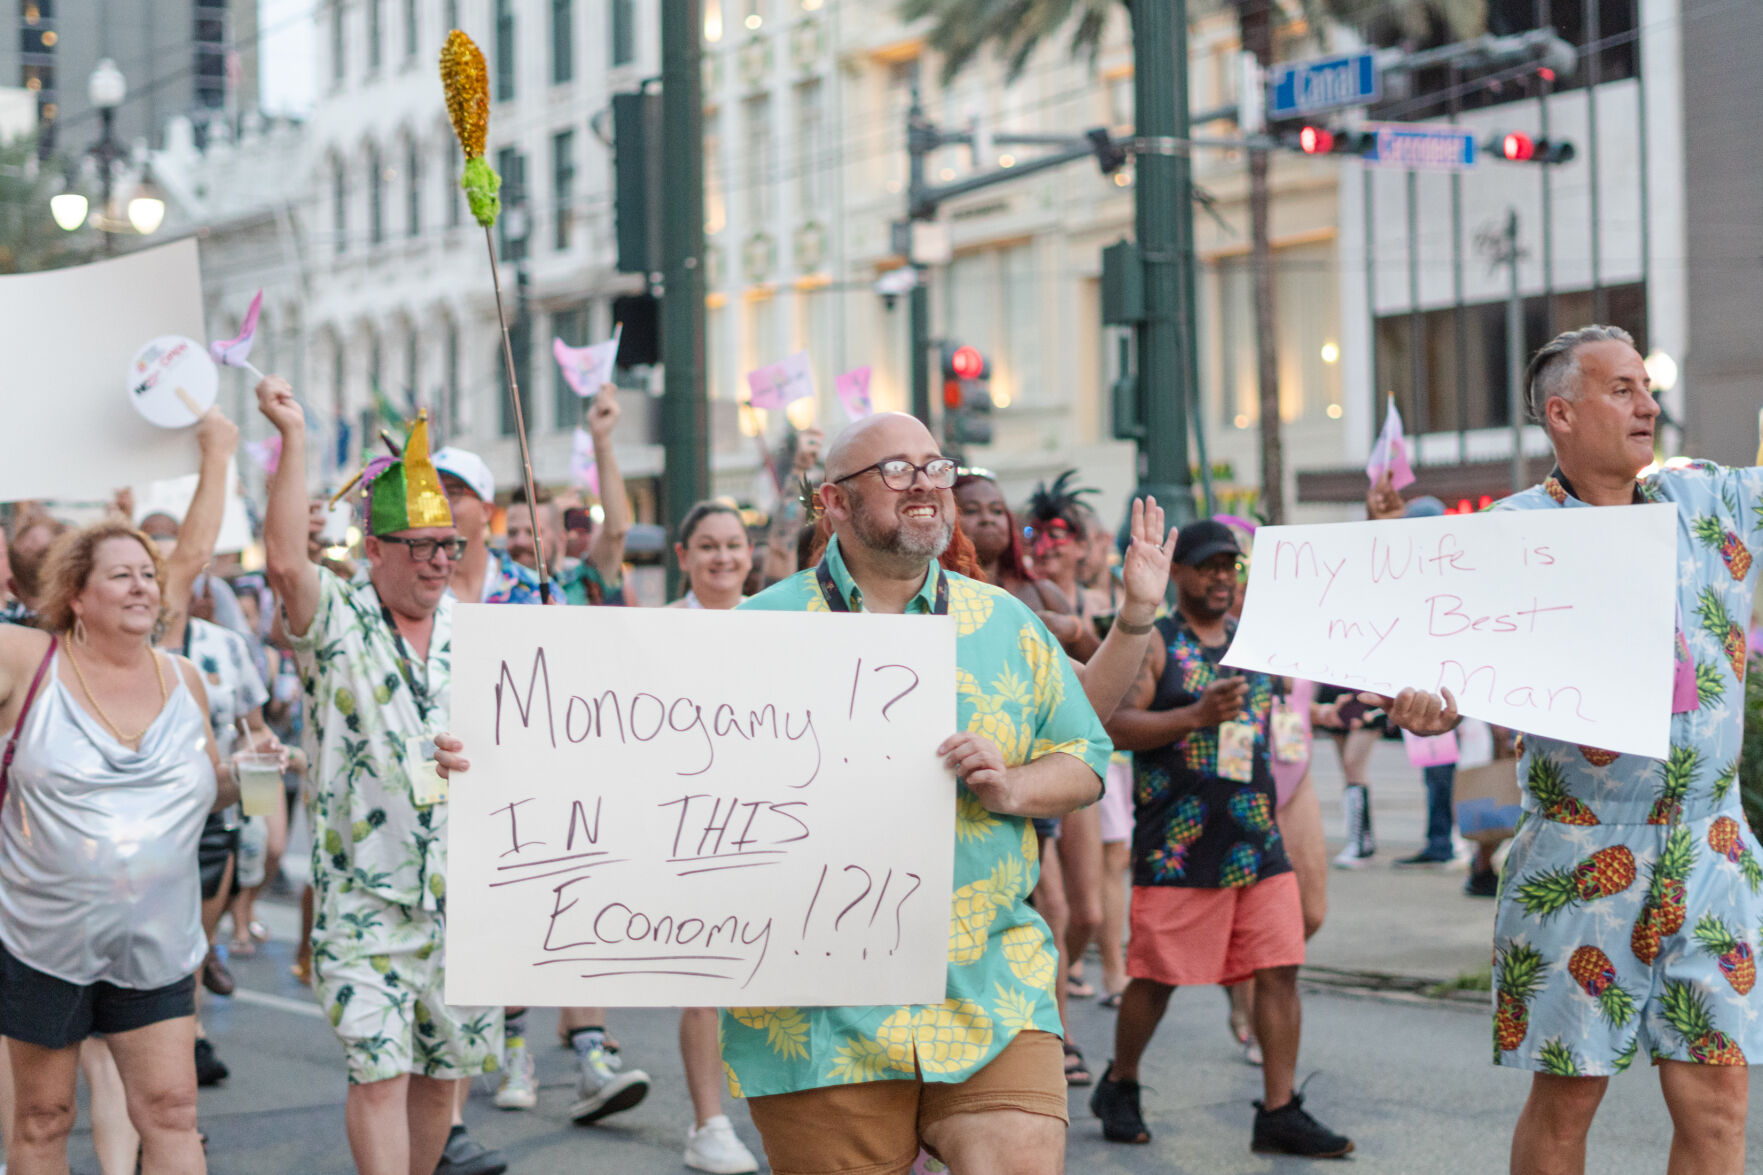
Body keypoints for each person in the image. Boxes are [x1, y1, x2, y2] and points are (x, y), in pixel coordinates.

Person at [437, 412, 1113, 1174]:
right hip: (818, 1020)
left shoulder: (1006, 623)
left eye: (935, 465)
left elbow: (1084, 754)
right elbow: (627, 769)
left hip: (992, 994)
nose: (924, 481)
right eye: (894, 469)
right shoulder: (753, 630)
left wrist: (1014, 784)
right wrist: (494, 760)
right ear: (833, 502)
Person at [1375, 325, 1759, 1175]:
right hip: (1579, 846)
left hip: (1711, 845)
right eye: (1619, 389)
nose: (1646, 405)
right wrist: (1427, 707)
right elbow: (1430, 670)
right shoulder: (1509, 535)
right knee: (1566, 1098)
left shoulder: (1709, 499)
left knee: (1718, 1101)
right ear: (1561, 412)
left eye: (1644, 387)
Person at [257, 377, 502, 1175]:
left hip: (464, 894)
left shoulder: (483, 634)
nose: (439, 561)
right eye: (421, 546)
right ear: (374, 550)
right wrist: (293, 437)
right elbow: (286, 562)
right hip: (365, 896)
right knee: (378, 1069)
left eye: (449, 546)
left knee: (442, 1072)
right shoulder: (337, 619)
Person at [1092, 518, 1352, 1157]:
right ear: (1177, 573)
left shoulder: (1253, 641)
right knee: (1157, 976)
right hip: (1178, 845)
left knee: (1280, 968)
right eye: (1206, 566)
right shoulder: (1155, 643)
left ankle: (1279, 1109)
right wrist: (1194, 715)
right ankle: (1120, 1083)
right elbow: (1113, 725)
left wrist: (1329, 713)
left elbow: (1277, 715)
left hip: (1254, 837)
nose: (1219, 577)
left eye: (1229, 567)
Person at [0, 520, 238, 1173]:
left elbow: (208, 789)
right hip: (43, 942)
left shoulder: (182, 677)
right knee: (43, 1118)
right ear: (76, 594)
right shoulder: (26, 660)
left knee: (170, 1112)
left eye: (147, 572)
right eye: (121, 573)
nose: (141, 584)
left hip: (157, 945)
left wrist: (246, 774)